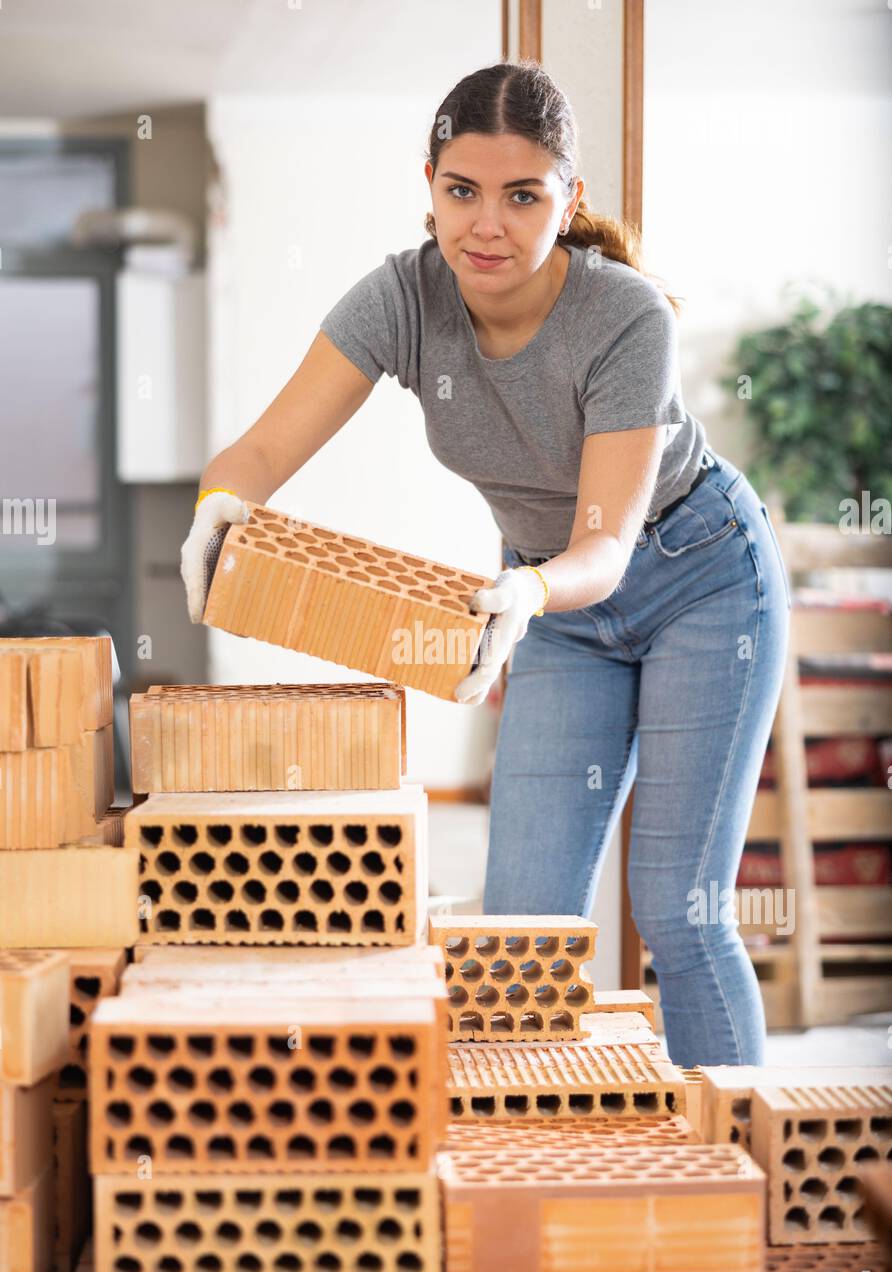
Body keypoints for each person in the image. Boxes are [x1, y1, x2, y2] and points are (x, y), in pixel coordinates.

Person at [180, 60, 791, 1068]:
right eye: (461, 191)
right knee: (520, 936)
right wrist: (218, 507)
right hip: (551, 605)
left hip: (698, 577)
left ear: (569, 199)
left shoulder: (626, 316)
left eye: (522, 196)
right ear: (427, 184)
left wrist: (529, 588)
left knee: (678, 911)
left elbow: (601, 540)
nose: (486, 227)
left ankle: (737, 1179)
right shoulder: (402, 299)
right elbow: (258, 451)